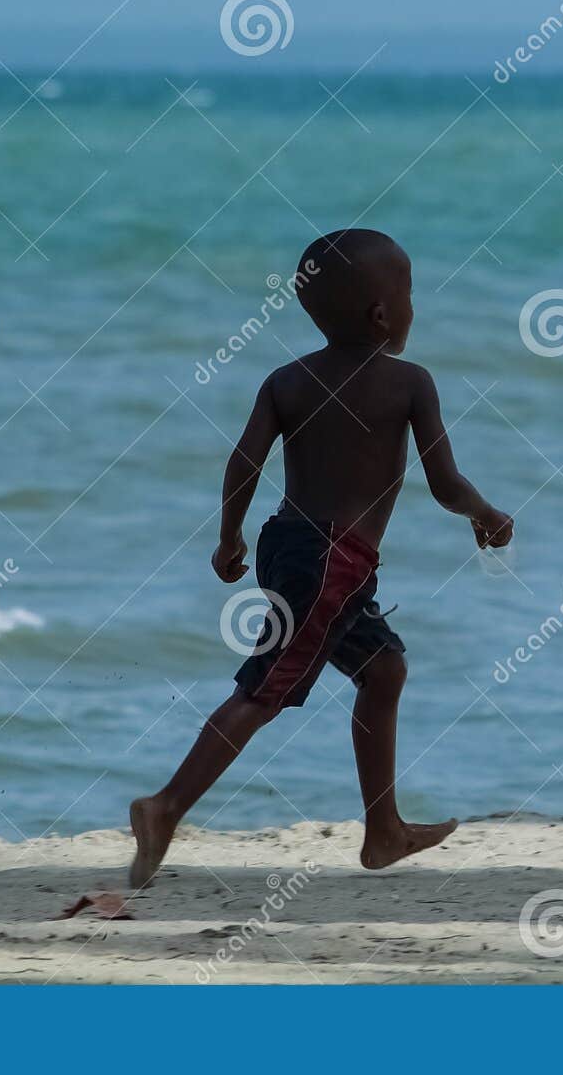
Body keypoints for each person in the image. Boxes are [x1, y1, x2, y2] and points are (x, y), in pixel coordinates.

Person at [128, 228, 514, 888]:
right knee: (268, 686)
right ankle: (165, 806)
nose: (414, 305)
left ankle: (383, 831)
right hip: (334, 562)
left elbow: (244, 459)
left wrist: (230, 535)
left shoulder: (287, 379)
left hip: (295, 546)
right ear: (383, 315)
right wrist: (485, 513)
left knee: (383, 668)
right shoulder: (409, 384)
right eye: (411, 292)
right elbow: (444, 482)